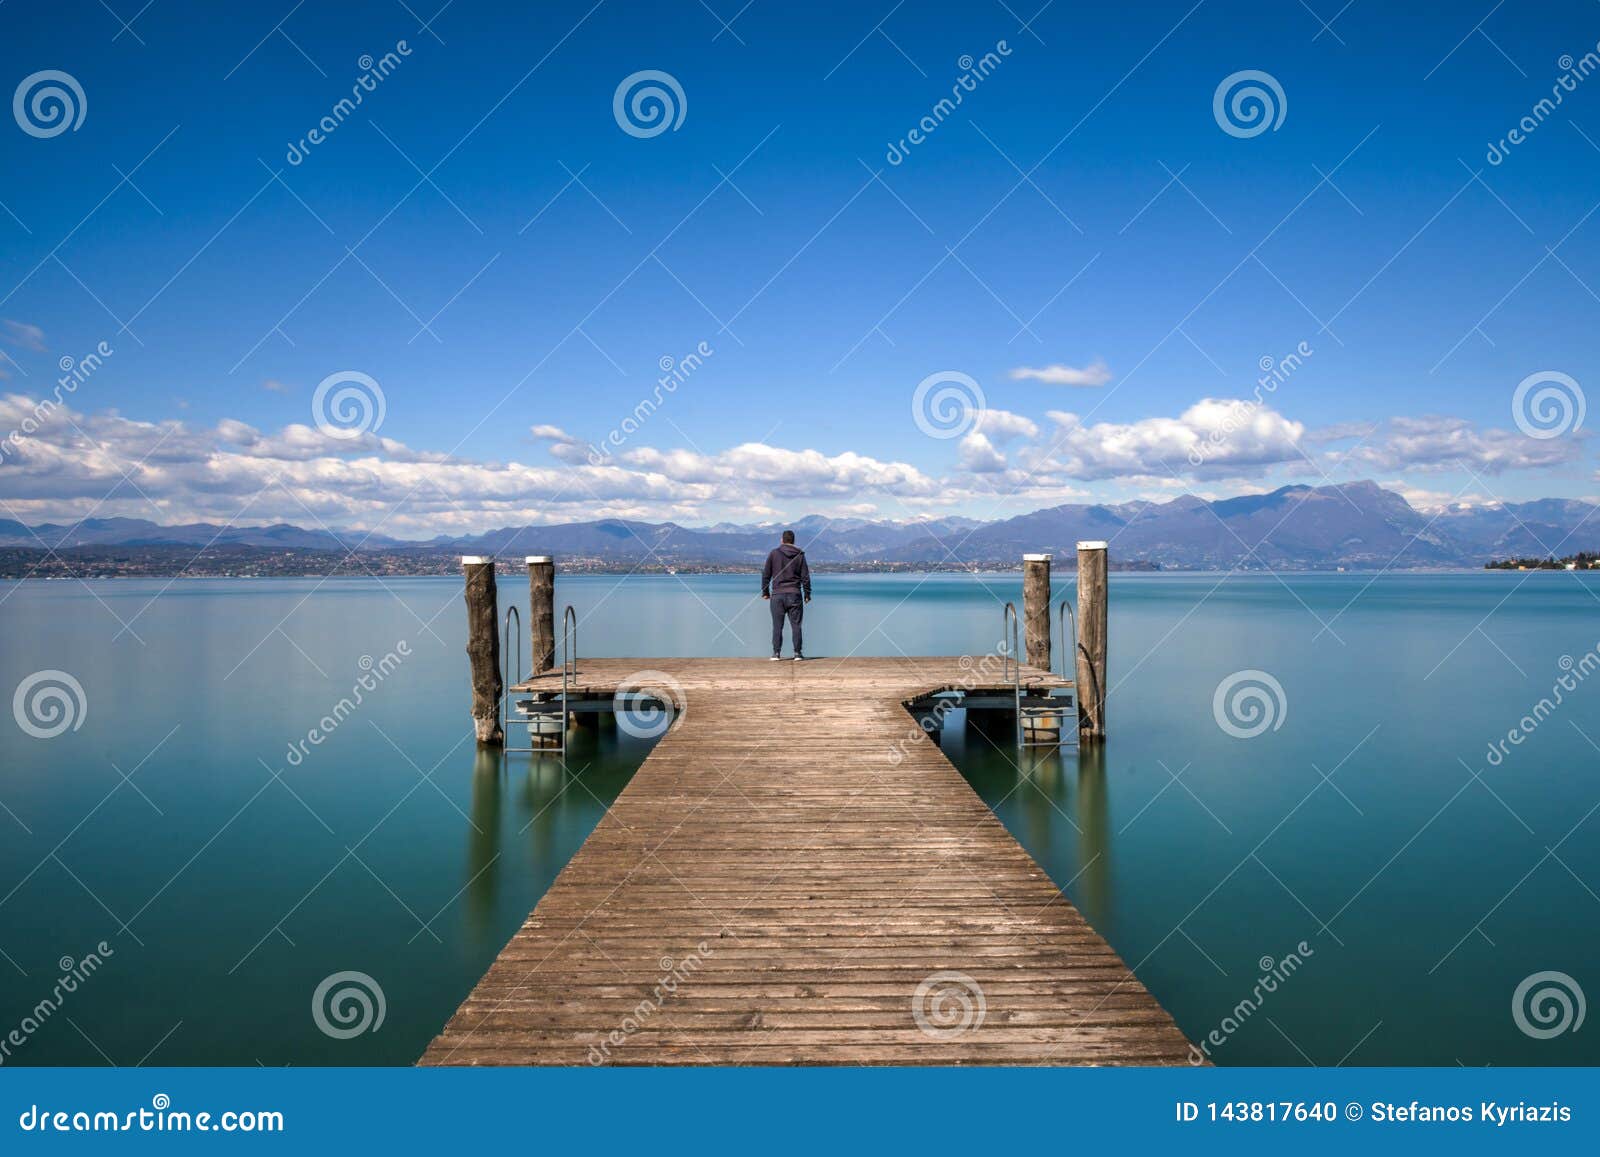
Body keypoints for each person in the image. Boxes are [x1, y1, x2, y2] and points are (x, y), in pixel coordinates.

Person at [761, 529, 811, 660]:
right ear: (793, 541)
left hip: (777, 595)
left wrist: (765, 592)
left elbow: (766, 574)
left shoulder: (774, 553)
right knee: (796, 626)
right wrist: (807, 594)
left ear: (782, 540)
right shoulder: (800, 555)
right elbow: (805, 576)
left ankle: (776, 653)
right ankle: (797, 653)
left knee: (777, 626)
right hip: (795, 594)